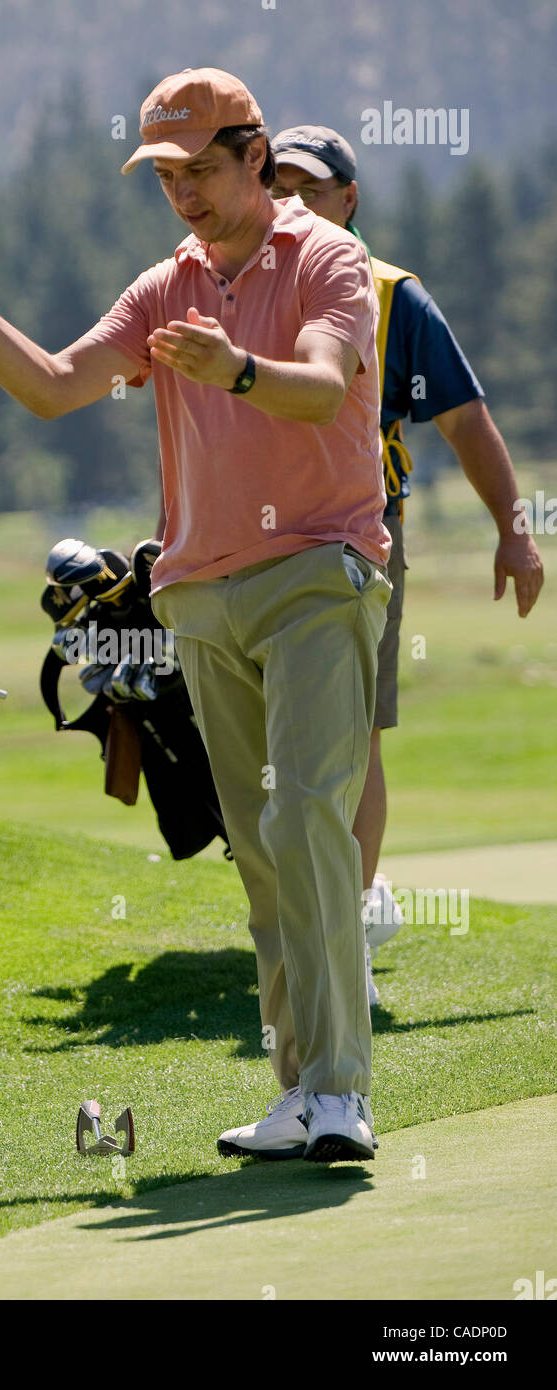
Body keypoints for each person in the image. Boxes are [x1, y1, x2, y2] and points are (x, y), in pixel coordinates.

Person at [0, 67, 392, 1163]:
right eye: (165, 175)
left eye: (201, 169)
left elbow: (321, 380)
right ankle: (297, 1085)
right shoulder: (163, 285)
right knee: (261, 849)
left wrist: (236, 371)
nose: (183, 193)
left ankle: (342, 1095)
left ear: (256, 158)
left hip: (318, 569)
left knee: (311, 812)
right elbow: (56, 384)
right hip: (201, 594)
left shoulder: (325, 257)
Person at [267, 127, 545, 1005]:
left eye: (311, 188)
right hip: (251, 541)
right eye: (277, 185)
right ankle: (311, 922)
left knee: (355, 729)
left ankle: (344, 919)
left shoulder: (392, 298)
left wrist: (515, 528)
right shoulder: (239, 287)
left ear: (349, 200)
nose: (293, 202)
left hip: (360, 535)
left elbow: (465, 420)